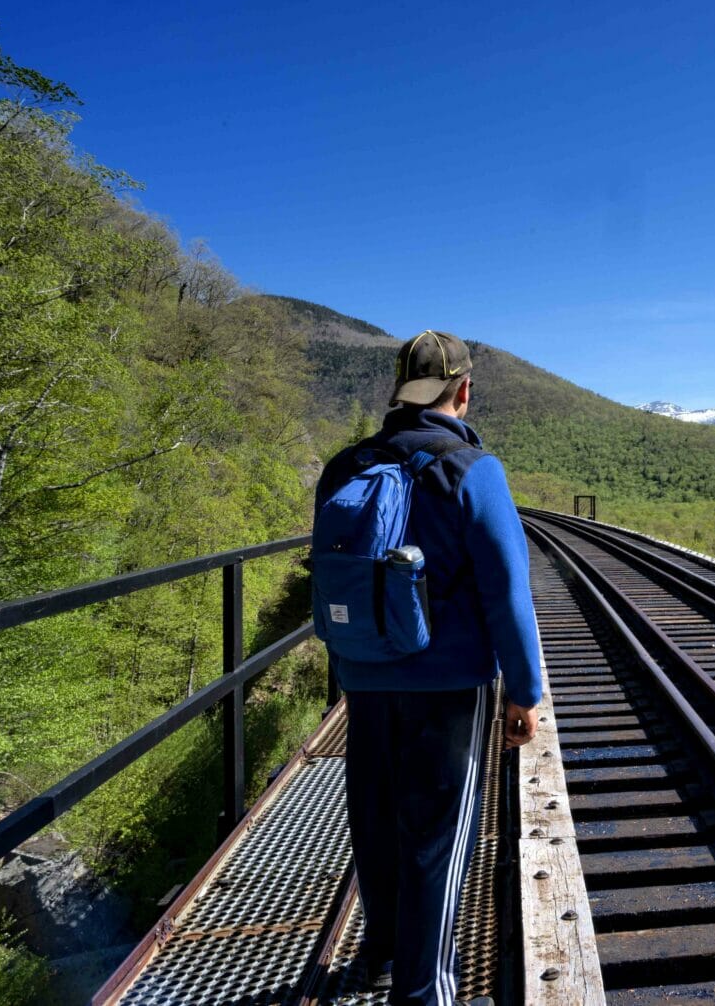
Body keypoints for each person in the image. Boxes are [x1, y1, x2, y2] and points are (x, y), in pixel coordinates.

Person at [314, 329, 543, 1006]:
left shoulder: (343, 466)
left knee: (377, 818)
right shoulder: (474, 470)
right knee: (436, 840)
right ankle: (424, 992)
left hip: (364, 674)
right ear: (463, 391)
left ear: (397, 390)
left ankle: (382, 948)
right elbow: (506, 588)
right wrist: (524, 692)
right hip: (448, 685)